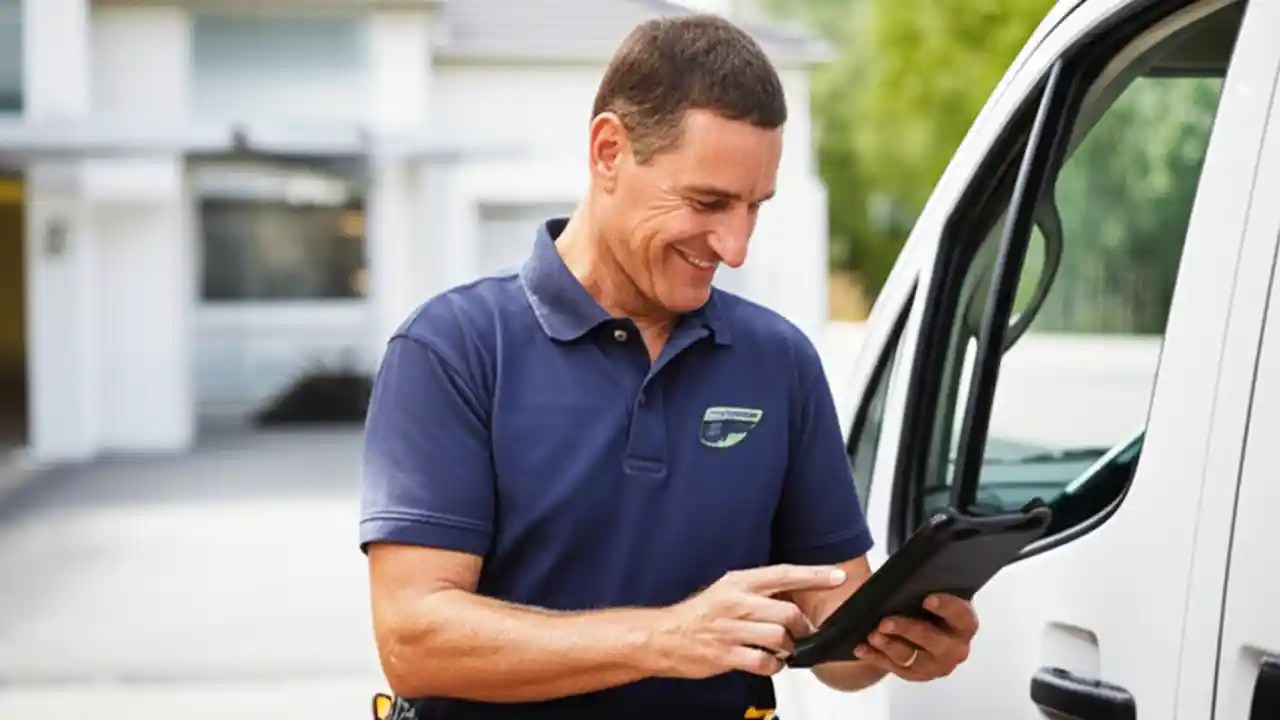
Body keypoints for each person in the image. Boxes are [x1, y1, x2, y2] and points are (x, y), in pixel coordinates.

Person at [359, 13, 979, 720]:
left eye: (755, 207)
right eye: (708, 202)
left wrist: (894, 639)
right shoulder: (453, 350)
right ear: (608, 152)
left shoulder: (778, 362)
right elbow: (415, 640)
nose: (736, 246)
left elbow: (833, 633)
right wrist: (664, 637)